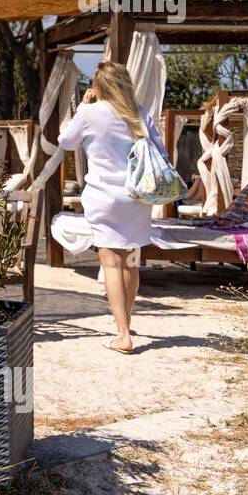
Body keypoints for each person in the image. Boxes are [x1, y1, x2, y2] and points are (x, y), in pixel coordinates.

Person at [57, 61, 169, 356]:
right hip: (137, 198)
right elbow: (162, 152)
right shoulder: (140, 112)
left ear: (98, 86)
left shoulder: (90, 113)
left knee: (111, 265)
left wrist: (83, 107)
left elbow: (65, 142)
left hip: (103, 198)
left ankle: (123, 334)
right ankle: (124, 324)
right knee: (131, 263)